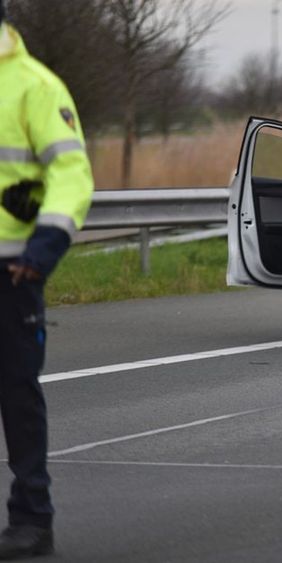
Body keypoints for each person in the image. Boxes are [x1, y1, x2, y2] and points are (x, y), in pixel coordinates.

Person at [0, 2, 94, 558]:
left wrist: (44, 247)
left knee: (16, 392)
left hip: (13, 270)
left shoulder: (34, 85)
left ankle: (33, 518)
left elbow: (70, 173)